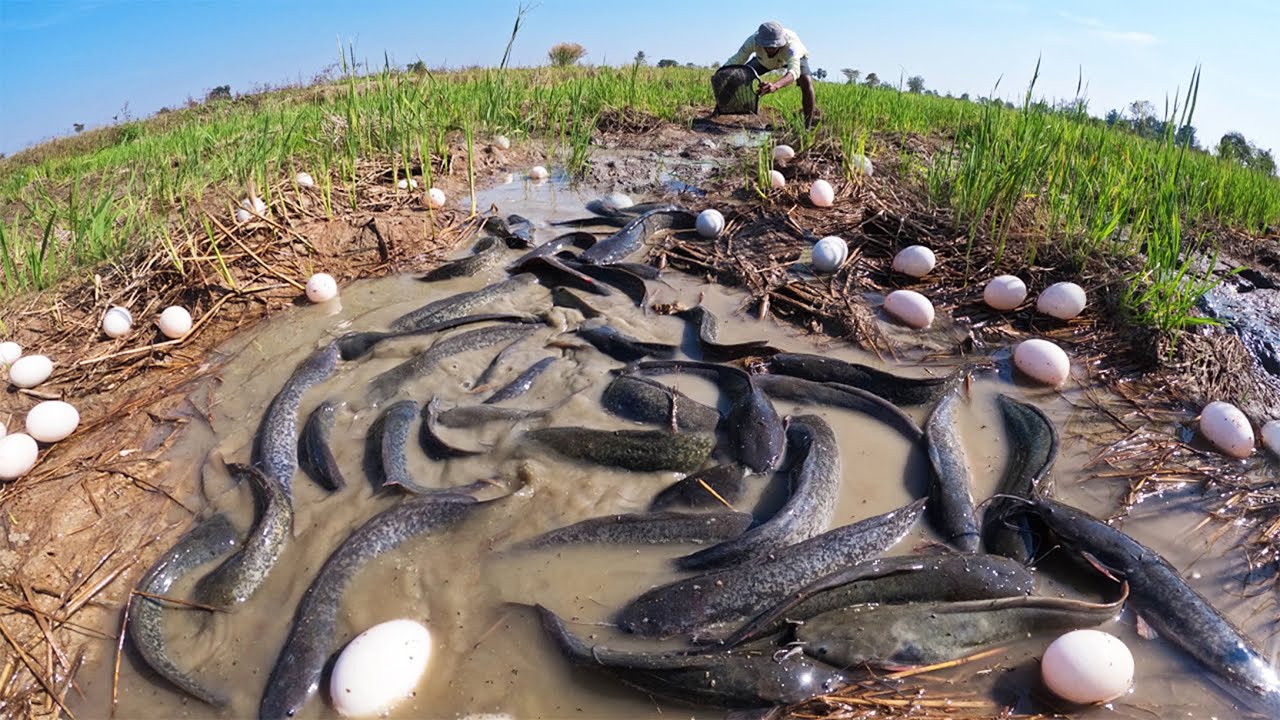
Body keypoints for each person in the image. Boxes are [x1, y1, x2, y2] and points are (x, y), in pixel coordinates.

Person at [726, 21, 816, 127]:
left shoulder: (792, 46)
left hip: (788, 59)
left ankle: (807, 126)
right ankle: (718, 110)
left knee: (806, 81)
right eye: (766, 46)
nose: (770, 49)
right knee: (738, 76)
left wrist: (775, 86)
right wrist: (722, 72)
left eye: (774, 46)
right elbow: (737, 60)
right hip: (763, 61)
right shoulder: (752, 41)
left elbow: (794, 71)